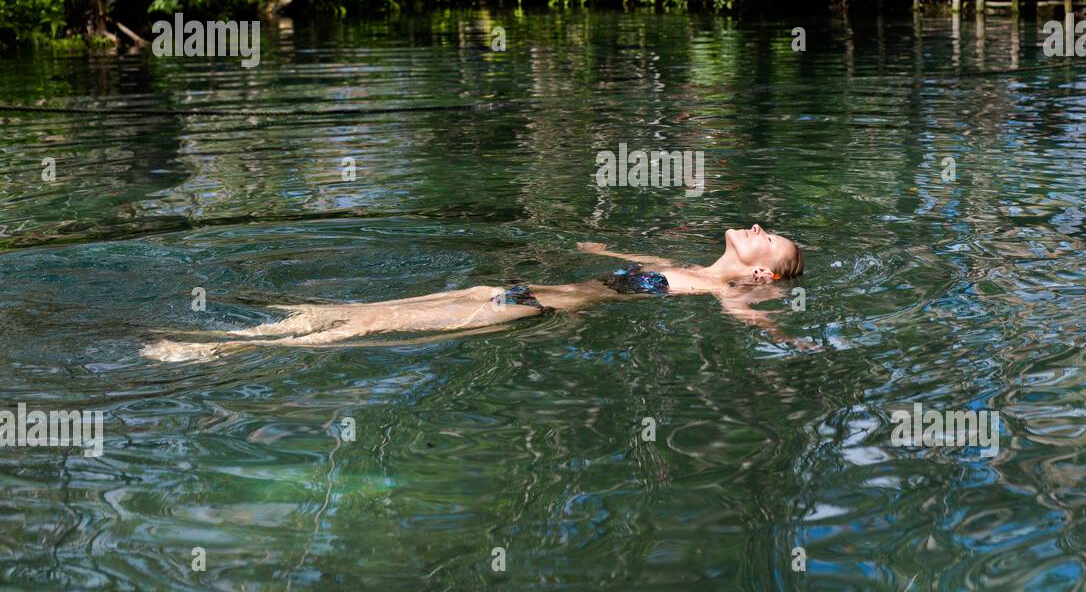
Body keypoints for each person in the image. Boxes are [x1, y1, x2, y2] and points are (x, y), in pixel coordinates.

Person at [141, 224, 806, 360]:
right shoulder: (688, 265)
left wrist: (791, 336)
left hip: (538, 309)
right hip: (520, 293)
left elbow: (757, 325)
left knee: (372, 328)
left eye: (767, 239)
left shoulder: (729, 292)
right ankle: (277, 322)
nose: (757, 227)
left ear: (764, 274)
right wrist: (607, 251)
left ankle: (224, 348)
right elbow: (644, 262)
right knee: (369, 313)